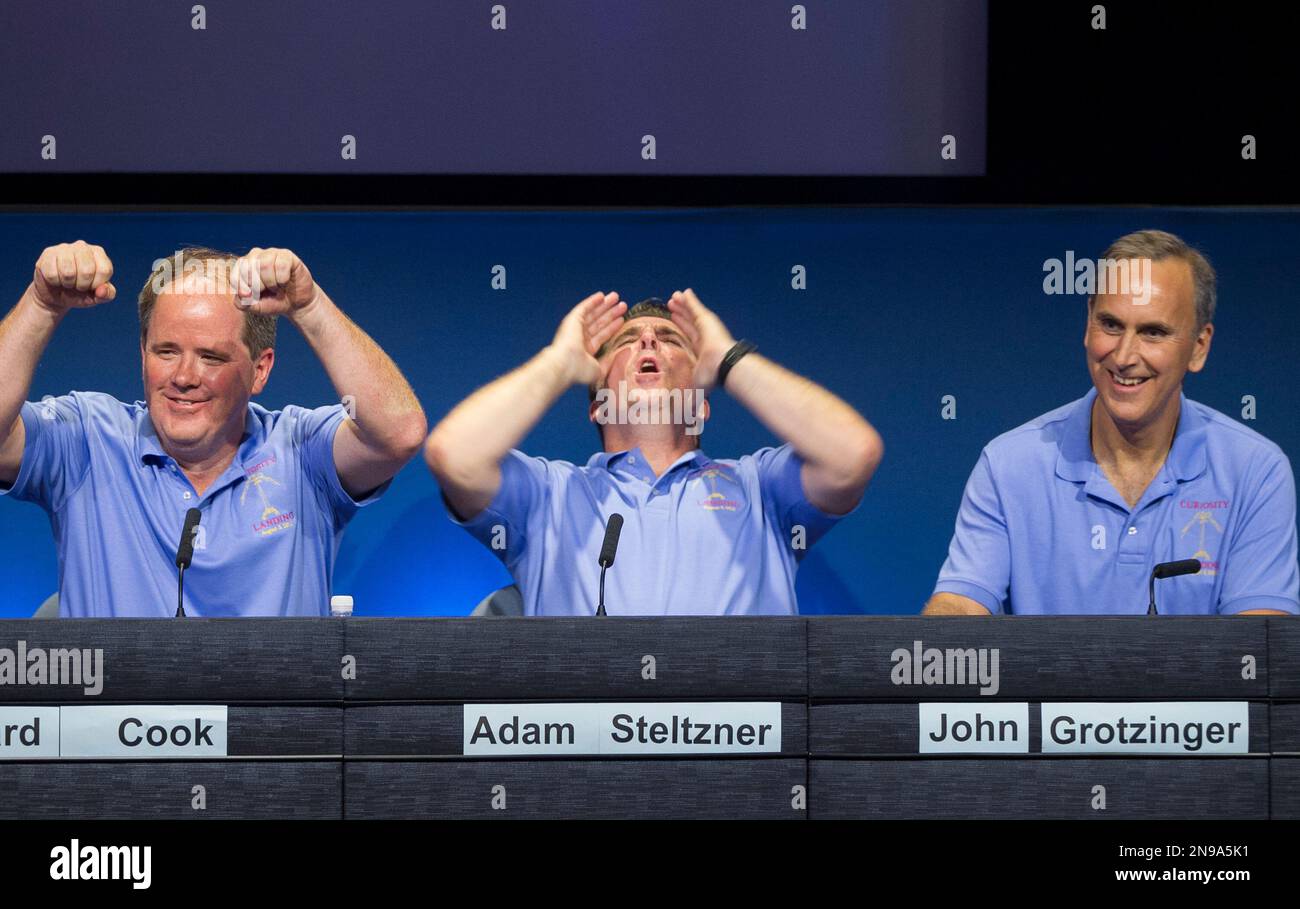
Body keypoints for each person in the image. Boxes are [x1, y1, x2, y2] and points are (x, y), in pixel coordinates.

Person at [0, 241, 427, 616]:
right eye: (166, 351)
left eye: (211, 357)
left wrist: (310, 307)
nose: (184, 377)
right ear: (142, 354)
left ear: (260, 370)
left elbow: (398, 433)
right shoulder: (87, 440)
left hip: (274, 690)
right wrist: (41, 305)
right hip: (114, 690)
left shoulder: (302, 450)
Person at [425, 289, 883, 615]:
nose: (648, 341)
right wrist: (559, 362)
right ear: (597, 405)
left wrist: (728, 359)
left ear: (701, 404)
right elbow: (455, 456)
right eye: (627, 342)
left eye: (670, 339)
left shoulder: (760, 487)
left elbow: (852, 455)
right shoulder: (550, 494)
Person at [925, 230, 1298, 616]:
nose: (1123, 357)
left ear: (1198, 347)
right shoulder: (1008, 466)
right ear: (1088, 324)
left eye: (1153, 332)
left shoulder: (1255, 471)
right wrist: (938, 639)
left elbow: (1260, 635)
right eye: (1111, 325)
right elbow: (960, 604)